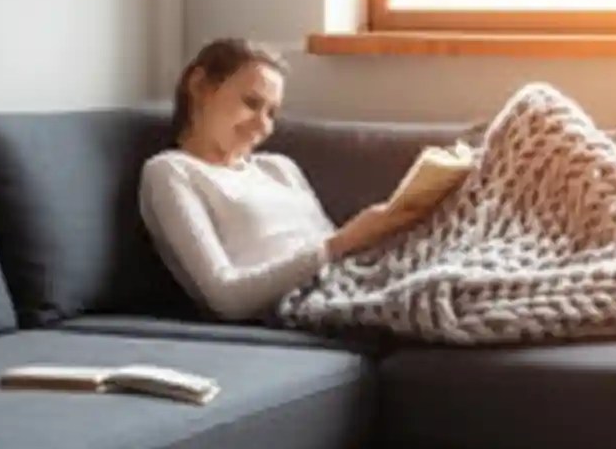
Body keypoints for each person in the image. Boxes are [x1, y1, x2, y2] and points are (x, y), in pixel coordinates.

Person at [139, 38, 426, 322]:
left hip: (355, 279)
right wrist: (344, 241)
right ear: (200, 86)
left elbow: (334, 254)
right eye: (251, 103)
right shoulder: (172, 172)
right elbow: (226, 298)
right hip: (309, 302)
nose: (263, 126)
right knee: (451, 289)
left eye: (272, 113)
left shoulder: (279, 168)